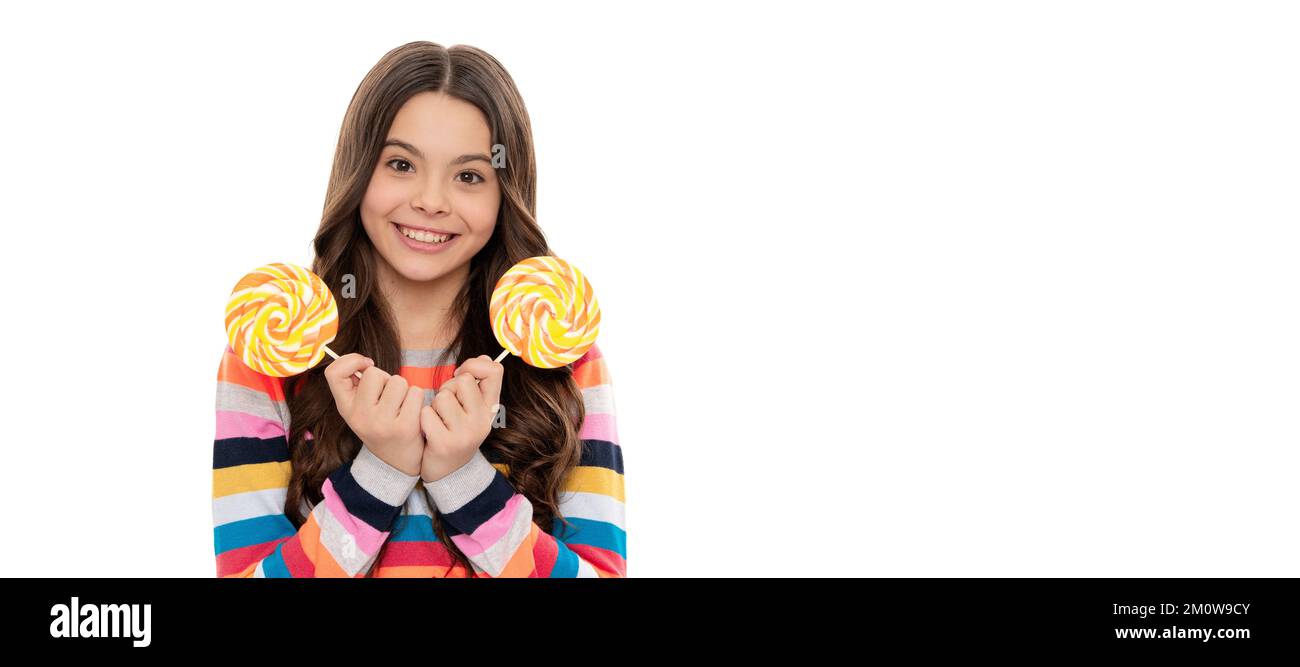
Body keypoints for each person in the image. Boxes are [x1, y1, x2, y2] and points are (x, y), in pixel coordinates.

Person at [212, 41, 625, 577]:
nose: (431, 200)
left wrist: (461, 478)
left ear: (507, 192)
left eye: (470, 175)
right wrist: (380, 471)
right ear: (359, 171)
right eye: (401, 164)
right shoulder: (275, 344)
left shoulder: (559, 350)